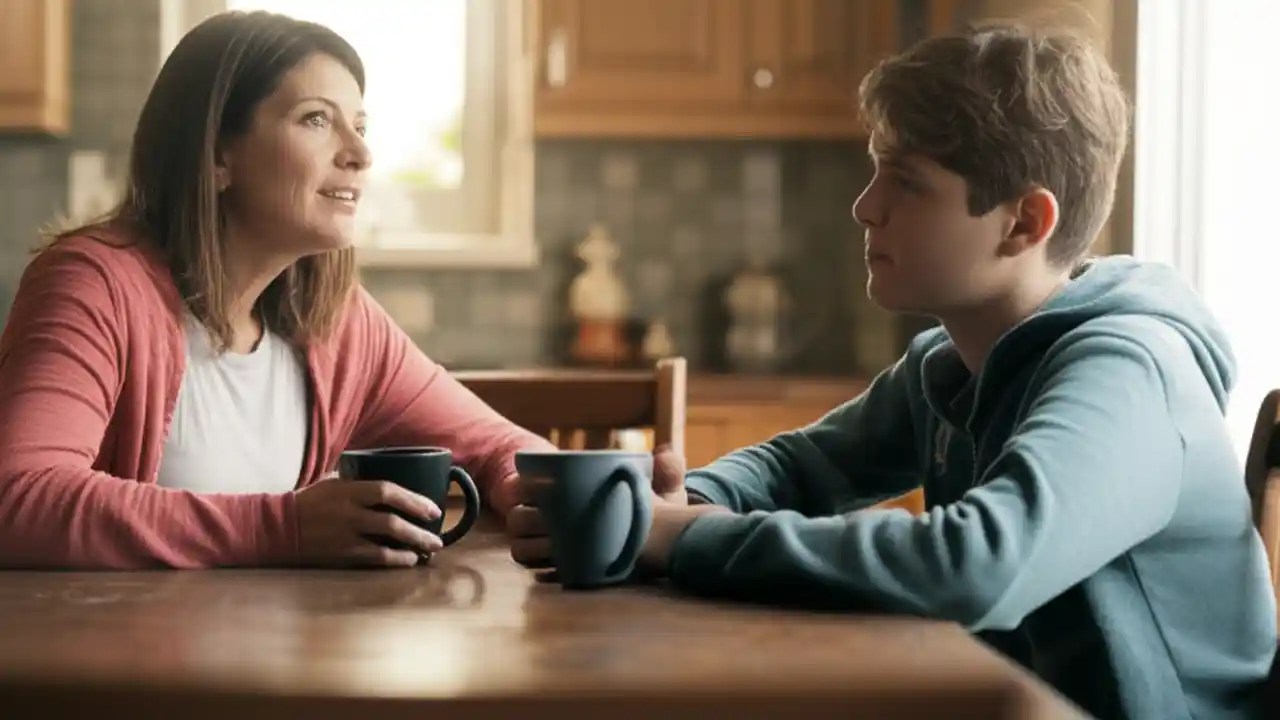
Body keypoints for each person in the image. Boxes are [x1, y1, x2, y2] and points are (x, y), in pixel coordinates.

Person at [511, 22, 1277, 719]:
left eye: (905, 182)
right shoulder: (948, 362)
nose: (864, 207)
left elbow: (975, 566)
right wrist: (680, 502)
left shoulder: (1128, 372)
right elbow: (798, 465)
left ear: (1024, 222)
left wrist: (683, 540)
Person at [0, 10, 554, 570]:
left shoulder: (338, 322)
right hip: (107, 654)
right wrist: (285, 526)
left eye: (359, 127)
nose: (360, 154)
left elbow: (498, 445)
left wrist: (533, 490)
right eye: (316, 119)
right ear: (217, 153)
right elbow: (18, 500)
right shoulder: (94, 284)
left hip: (276, 653)